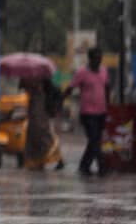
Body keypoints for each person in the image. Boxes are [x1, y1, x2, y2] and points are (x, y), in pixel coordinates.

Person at [63, 47, 110, 176]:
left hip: (101, 111)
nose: (98, 61)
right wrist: (60, 101)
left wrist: (109, 106)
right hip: (88, 112)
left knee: (96, 140)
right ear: (90, 59)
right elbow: (70, 88)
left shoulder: (104, 71)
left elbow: (107, 88)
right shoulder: (82, 73)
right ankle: (102, 166)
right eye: (96, 58)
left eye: (100, 58)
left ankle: (84, 166)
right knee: (94, 138)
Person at [21, 76, 65, 171]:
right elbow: (22, 87)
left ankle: (57, 158)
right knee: (33, 134)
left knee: (42, 132)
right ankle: (37, 161)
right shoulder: (27, 75)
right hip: (33, 106)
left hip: (40, 106)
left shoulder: (41, 78)